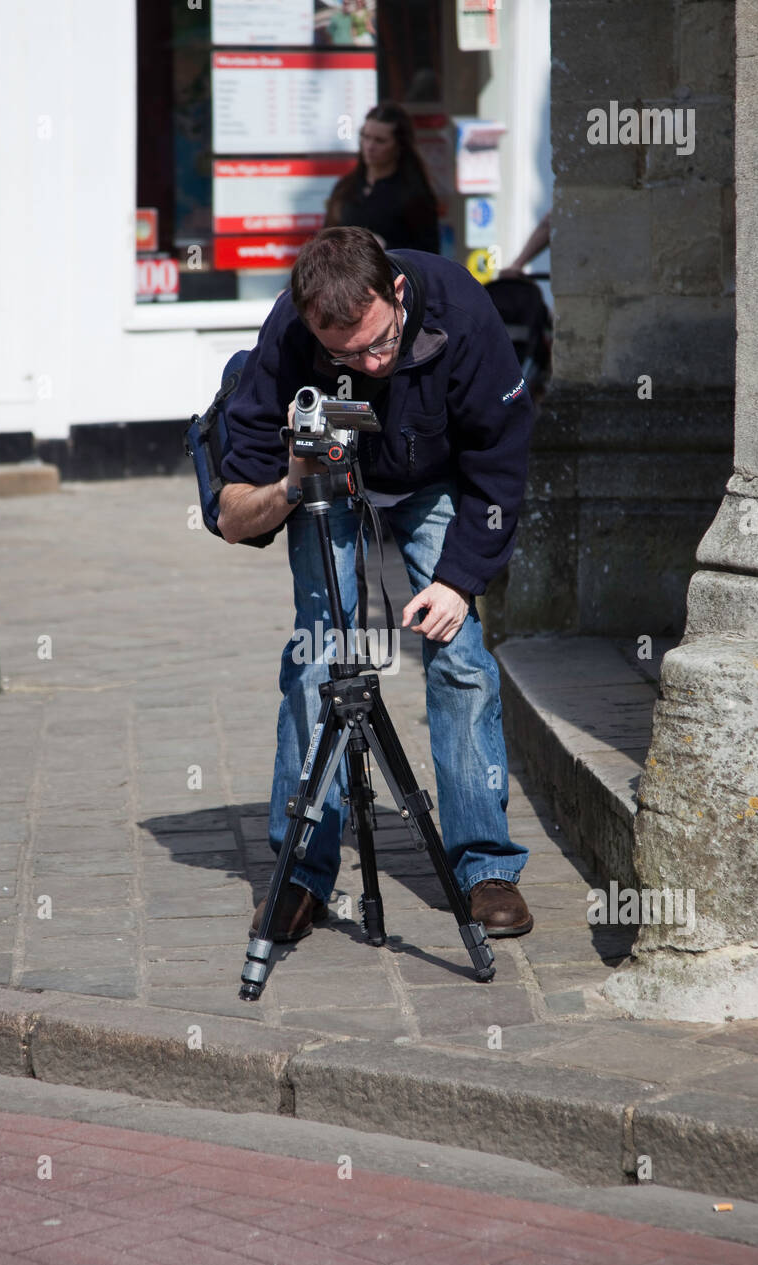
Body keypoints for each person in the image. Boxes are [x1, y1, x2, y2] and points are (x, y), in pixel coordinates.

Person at [217, 226, 534, 945]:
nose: (369, 363)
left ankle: (485, 867)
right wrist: (293, 487)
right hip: (325, 482)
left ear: (395, 291)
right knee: (318, 656)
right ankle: (301, 872)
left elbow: (500, 455)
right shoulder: (289, 336)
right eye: (345, 355)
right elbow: (237, 504)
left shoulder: (460, 307)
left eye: (380, 343)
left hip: (434, 481)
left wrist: (458, 580)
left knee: (459, 656)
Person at [324, 102, 439, 254]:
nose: (369, 146)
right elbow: (324, 239)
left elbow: (428, 254)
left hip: (392, 274)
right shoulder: (345, 187)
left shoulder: (414, 194)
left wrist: (386, 246)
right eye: (366, 137)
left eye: (380, 141)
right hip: (342, 274)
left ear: (399, 146)